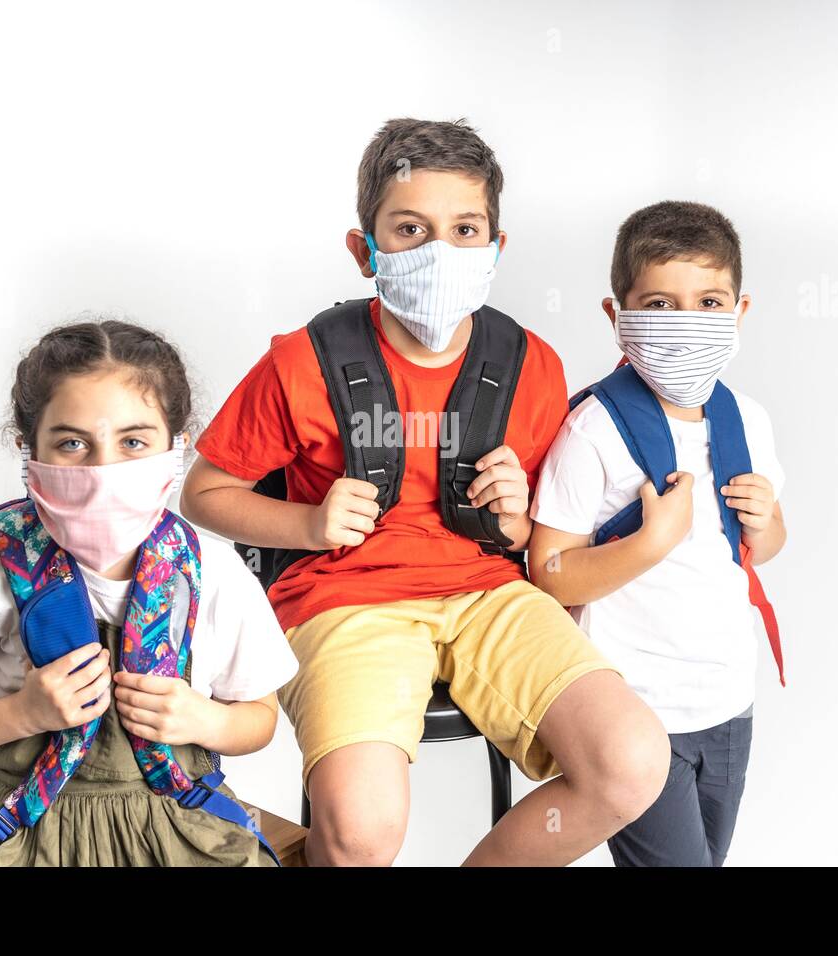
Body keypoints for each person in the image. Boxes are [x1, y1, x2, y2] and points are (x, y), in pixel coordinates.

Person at [180, 118, 670, 866]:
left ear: (496, 249)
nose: (440, 250)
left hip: (490, 596)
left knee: (632, 762)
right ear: (364, 250)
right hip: (343, 600)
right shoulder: (301, 363)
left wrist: (514, 521)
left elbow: (540, 542)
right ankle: (238, 832)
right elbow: (205, 493)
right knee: (361, 837)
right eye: (410, 229)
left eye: (465, 229)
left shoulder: (530, 363)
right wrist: (308, 523)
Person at [0, 316, 297, 866]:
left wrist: (207, 720)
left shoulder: (213, 572)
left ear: (177, 447)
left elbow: (260, 717)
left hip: (180, 826)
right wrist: (24, 712)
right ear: (29, 450)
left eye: (134, 441)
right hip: (29, 831)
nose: (103, 469)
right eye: (71, 443)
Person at [529, 201, 787, 866]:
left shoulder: (747, 419)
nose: (688, 323)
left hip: (729, 699)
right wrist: (648, 544)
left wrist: (771, 522)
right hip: (638, 712)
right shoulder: (593, 429)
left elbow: (760, 549)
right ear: (619, 319)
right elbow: (547, 571)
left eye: (709, 302)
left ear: (740, 311)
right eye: (661, 305)